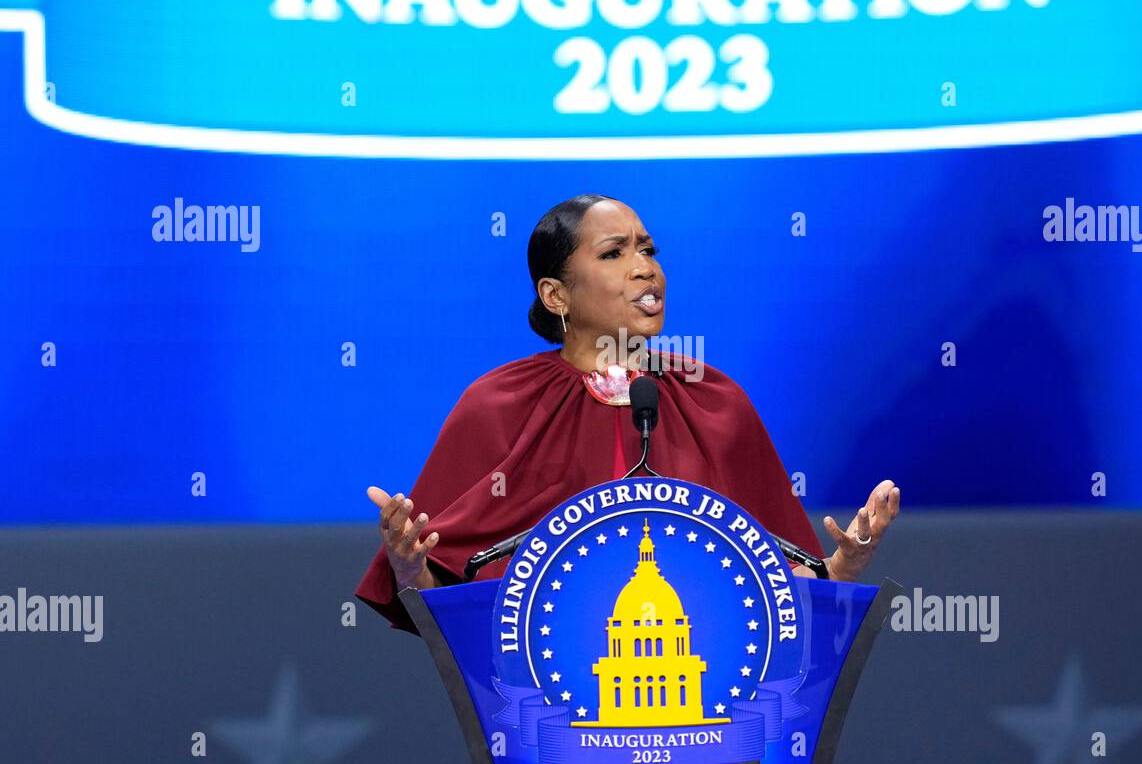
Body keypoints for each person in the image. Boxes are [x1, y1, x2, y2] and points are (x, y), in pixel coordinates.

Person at [356, 194, 900, 634]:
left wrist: (841, 570)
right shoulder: (499, 405)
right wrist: (409, 567)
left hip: (706, 705)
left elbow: (786, 599)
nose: (645, 270)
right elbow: (449, 612)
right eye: (615, 254)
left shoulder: (716, 400)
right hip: (554, 719)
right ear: (554, 294)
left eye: (649, 250)